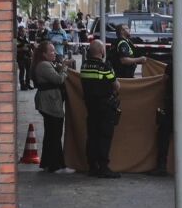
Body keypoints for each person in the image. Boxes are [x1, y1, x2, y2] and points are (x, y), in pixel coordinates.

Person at [150, 43, 182, 176]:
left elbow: (164, 82)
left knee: (164, 133)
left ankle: (161, 166)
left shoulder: (171, 66)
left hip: (174, 102)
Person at [32, 42, 74, 174]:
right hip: (50, 104)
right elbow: (58, 80)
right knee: (55, 135)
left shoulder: (44, 64)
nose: (54, 53)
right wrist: (65, 68)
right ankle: (57, 166)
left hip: (49, 102)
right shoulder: (43, 65)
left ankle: (48, 163)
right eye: (51, 51)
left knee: (51, 135)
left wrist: (61, 66)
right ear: (44, 54)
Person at [81, 40, 121, 178]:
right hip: (105, 107)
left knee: (92, 136)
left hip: (90, 106)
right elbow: (116, 86)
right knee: (104, 137)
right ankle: (103, 167)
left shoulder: (84, 66)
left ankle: (92, 166)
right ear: (102, 51)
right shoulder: (105, 66)